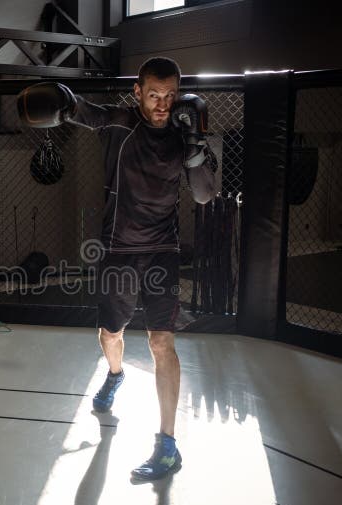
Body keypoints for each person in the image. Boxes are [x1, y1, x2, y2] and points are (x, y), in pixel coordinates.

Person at [17, 57, 220, 481]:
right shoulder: (120, 124)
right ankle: (115, 374)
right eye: (153, 95)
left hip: (163, 250)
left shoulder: (184, 136)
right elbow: (82, 111)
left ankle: (167, 446)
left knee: (162, 342)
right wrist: (63, 101)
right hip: (119, 250)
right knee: (111, 332)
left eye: (169, 96)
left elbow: (203, 196)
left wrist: (199, 147)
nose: (162, 105)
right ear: (138, 93)